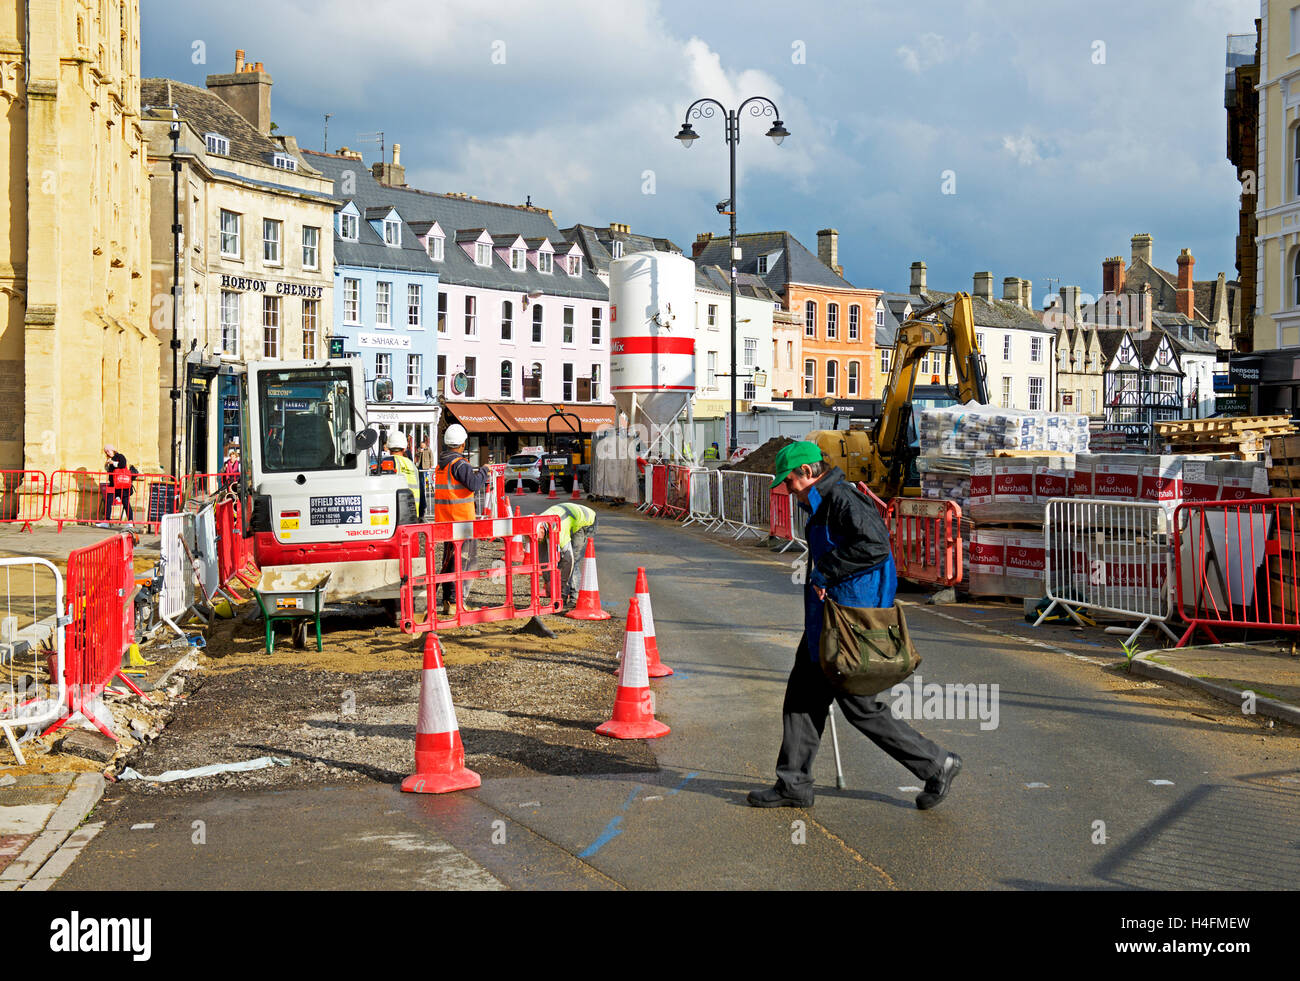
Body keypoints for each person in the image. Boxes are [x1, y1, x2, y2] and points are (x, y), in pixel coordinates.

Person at [747, 441, 962, 811]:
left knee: (859, 707)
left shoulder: (844, 500)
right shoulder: (820, 502)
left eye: (791, 481)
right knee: (802, 697)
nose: (789, 489)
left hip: (848, 623)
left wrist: (826, 573)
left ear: (809, 473)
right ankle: (793, 784)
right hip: (828, 621)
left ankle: (936, 764)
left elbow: (875, 547)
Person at [434, 424, 491, 615]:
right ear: (462, 443)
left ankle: (448, 603)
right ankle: (457, 603)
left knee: (450, 562)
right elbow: (474, 484)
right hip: (462, 522)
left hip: (446, 521)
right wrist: (484, 471)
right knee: (465, 562)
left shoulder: (441, 465)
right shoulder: (460, 464)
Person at [538, 502, 598, 607]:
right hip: (571, 518)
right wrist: (547, 581)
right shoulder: (537, 524)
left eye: (538, 537)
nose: (537, 540)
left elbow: (568, 559)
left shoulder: (558, 529)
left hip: (586, 521)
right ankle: (563, 596)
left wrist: (560, 590)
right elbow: (542, 555)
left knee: (572, 560)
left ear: (542, 530)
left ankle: (574, 598)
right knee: (563, 561)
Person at [388, 430, 419, 503]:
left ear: (389, 447)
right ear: (404, 448)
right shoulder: (412, 465)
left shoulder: (387, 462)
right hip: (413, 511)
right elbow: (421, 491)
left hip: (393, 511)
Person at [104, 445, 133, 522]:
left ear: (113, 450)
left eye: (108, 450)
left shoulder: (119, 456)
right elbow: (109, 471)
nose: (107, 452)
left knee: (126, 502)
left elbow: (123, 465)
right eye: (106, 451)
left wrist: (113, 462)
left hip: (121, 484)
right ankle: (107, 521)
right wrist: (107, 465)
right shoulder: (109, 459)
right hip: (112, 484)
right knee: (108, 501)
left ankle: (130, 521)